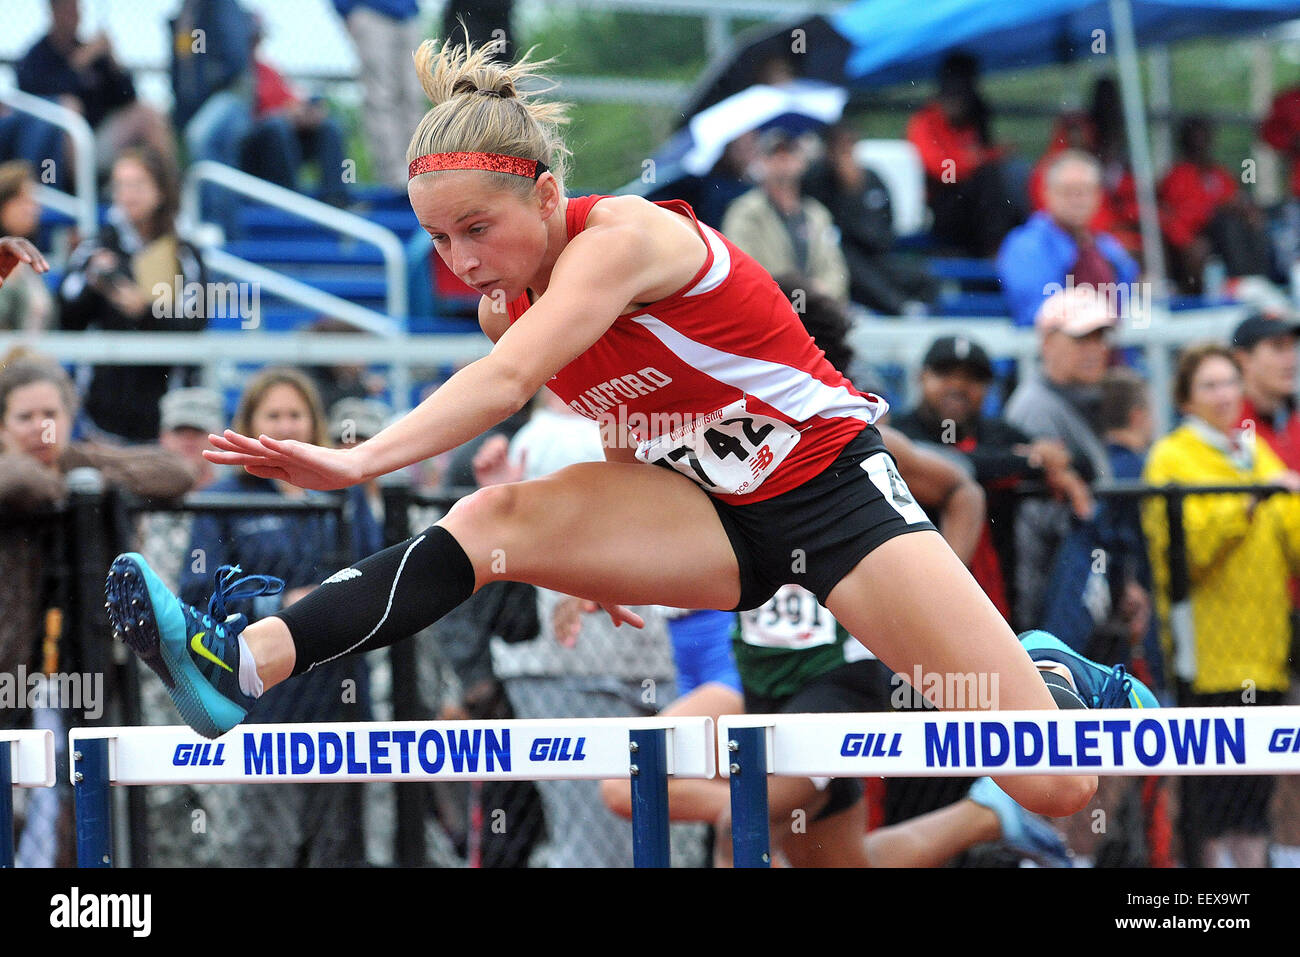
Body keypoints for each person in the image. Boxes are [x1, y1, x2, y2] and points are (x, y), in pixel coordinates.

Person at [106, 34, 1098, 827]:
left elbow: (508, 380)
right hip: (706, 513)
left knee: (1056, 789)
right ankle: (245, 657)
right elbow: (628, 412)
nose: (460, 264)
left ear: (545, 193)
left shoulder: (622, 240)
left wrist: (358, 457)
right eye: (437, 240)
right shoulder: (506, 301)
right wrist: (613, 547)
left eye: (477, 231)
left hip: (828, 493)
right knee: (498, 518)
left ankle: (1050, 670)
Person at [0, 349, 197, 867]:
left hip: (79, 670)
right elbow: (22, 484)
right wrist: (64, 479)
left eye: (52, 415)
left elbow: (174, 473)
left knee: (79, 801)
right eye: (25, 417)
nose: (41, 428)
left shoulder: (79, 462)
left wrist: (84, 472)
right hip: (8, 673)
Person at [177, 367, 367, 866]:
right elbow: (198, 593)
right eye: (273, 414)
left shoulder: (341, 491)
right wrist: (278, 606)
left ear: (314, 423)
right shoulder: (224, 498)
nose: (286, 425)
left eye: (296, 414)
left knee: (338, 844)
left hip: (339, 691)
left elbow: (377, 567)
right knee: (265, 845)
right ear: (251, 422)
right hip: (260, 695)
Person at [1142, 342, 1300, 867]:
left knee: (1256, 791)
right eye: (1209, 385)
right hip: (1205, 655)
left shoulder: (1254, 451)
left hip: (1266, 647)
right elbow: (1187, 549)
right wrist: (1251, 501)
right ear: (1185, 398)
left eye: (1230, 382)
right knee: (1209, 793)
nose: (1224, 395)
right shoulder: (1172, 456)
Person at [890, 333, 1090, 622]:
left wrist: (1055, 464)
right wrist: (1027, 460)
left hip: (1000, 601)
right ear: (922, 377)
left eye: (972, 378)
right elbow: (952, 466)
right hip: (914, 599)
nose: (958, 386)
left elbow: (1080, 463)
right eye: (945, 374)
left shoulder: (997, 433)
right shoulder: (902, 431)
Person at [59, 146, 208, 442]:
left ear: (162, 190)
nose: (128, 195)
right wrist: (94, 283)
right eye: (121, 185)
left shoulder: (184, 253)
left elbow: (195, 324)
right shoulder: (96, 247)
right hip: (101, 412)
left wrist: (144, 310)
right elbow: (65, 314)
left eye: (138, 185)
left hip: (168, 412)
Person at [1003, 288, 1115, 632]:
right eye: (1082, 339)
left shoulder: (1081, 399)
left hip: (1076, 580)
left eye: (1100, 338)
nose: (1095, 350)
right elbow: (1043, 522)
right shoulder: (1035, 408)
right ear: (1047, 344)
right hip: (1048, 591)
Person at [16, 0, 175, 183]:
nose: (75, 17)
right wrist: (78, 64)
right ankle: (84, 195)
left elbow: (128, 97)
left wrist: (115, 64)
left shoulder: (93, 53)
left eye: (77, 11)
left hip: (98, 141)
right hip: (53, 156)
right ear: (53, 12)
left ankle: (170, 192)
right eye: (68, 11)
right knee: (68, 106)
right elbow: (32, 101)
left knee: (148, 113)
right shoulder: (36, 57)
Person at [803, 123, 936, 316]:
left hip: (876, 256)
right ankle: (898, 307)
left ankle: (914, 310)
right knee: (849, 262)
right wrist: (848, 193)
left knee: (921, 276)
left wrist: (856, 191)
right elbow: (826, 227)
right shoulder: (815, 179)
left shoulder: (871, 178)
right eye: (839, 147)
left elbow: (884, 227)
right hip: (838, 257)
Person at [997, 150, 1140, 328]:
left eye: (1084, 191)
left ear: (1098, 196)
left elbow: (1127, 305)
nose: (1076, 199)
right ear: (1047, 193)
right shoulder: (1026, 245)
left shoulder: (1108, 247)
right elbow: (1039, 312)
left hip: (1110, 349)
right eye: (1067, 191)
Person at [906, 52, 1021, 258]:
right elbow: (943, 171)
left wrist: (984, 157)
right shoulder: (925, 122)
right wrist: (977, 159)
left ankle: (1007, 248)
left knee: (1011, 176)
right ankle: (995, 250)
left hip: (976, 208)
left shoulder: (974, 120)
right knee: (988, 177)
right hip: (944, 206)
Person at [721, 129, 850, 305]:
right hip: (767, 311)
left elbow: (836, 270)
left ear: (802, 162)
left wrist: (816, 295)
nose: (783, 161)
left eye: (790, 153)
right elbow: (739, 269)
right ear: (761, 162)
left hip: (815, 312)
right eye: (775, 154)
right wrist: (794, 292)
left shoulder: (817, 214)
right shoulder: (744, 212)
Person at [242, 14, 349, 207]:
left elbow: (293, 103)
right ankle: (290, 200)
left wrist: (308, 113)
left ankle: (337, 198)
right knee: (277, 126)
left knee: (328, 126)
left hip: (285, 140)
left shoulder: (268, 70)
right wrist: (285, 115)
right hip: (254, 150)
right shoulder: (237, 75)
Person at [1159, 117, 1274, 295]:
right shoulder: (1175, 177)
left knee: (1250, 221)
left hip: (1223, 234)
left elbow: (1235, 202)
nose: (1200, 146)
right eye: (1195, 141)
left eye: (1204, 140)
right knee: (1226, 224)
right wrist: (1188, 241)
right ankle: (1239, 281)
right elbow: (1168, 218)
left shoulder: (1220, 174)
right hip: (1196, 234)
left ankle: (1255, 282)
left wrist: (1248, 212)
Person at [333, 0, 429, 189]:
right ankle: (393, 175)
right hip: (369, 11)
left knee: (414, 95)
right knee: (381, 96)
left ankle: (421, 168)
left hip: (407, 14)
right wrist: (347, 10)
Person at [0, 163, 54, 333]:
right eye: (25, 200)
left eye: (34, 201)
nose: (34, 209)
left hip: (31, 356)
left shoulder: (28, 259)